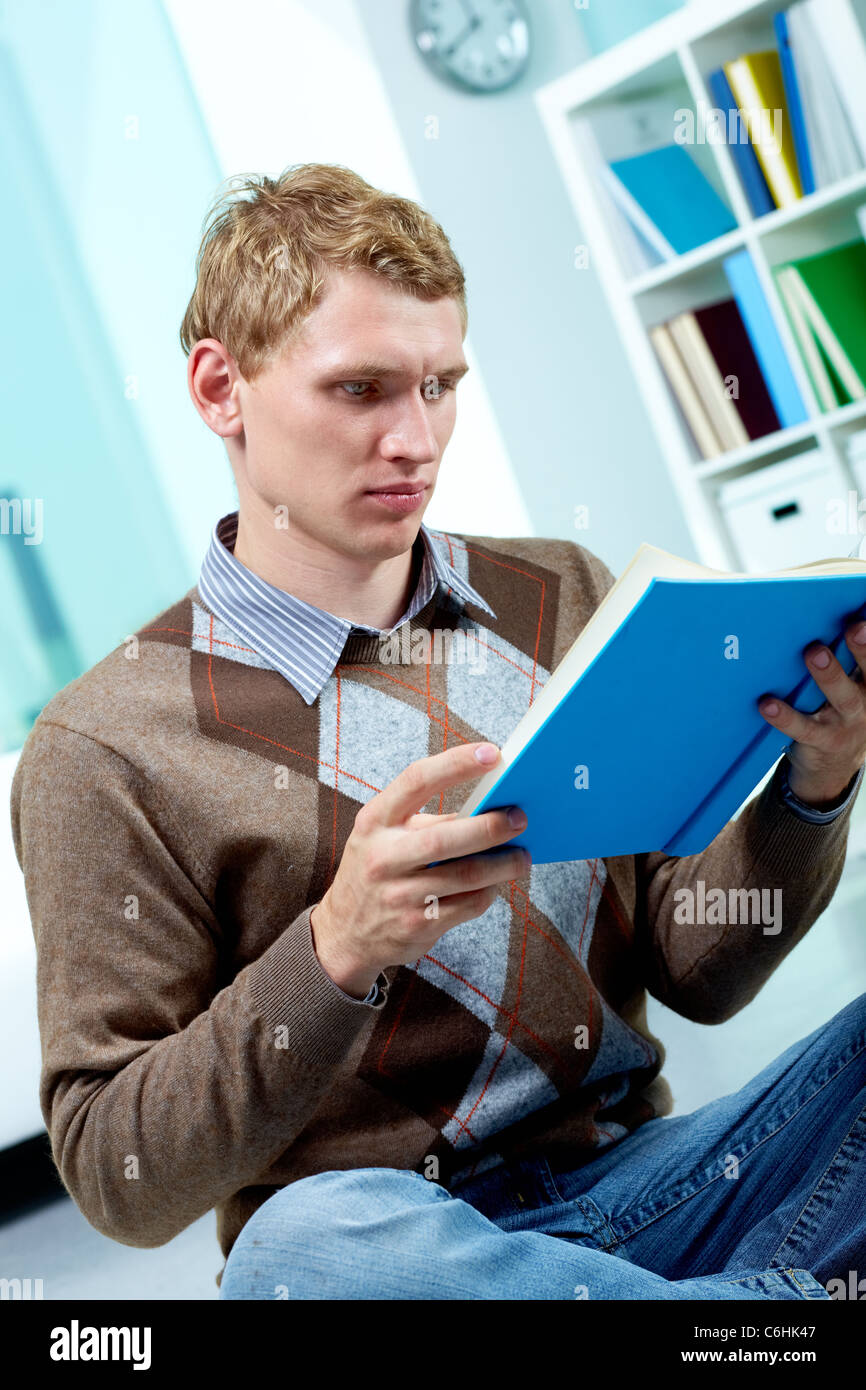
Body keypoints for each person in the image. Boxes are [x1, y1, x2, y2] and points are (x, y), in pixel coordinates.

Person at [10, 163, 866, 1301]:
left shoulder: (558, 593)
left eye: (440, 384)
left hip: (652, 1189)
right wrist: (337, 950)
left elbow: (694, 972)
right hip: (399, 1254)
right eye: (361, 389)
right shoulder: (107, 747)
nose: (414, 438)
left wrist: (812, 789)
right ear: (220, 388)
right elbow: (122, 1177)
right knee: (298, 1250)